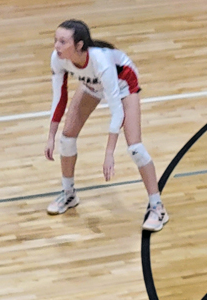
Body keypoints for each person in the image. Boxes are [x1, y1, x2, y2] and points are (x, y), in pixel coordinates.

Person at [44, 19, 168, 232]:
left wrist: (109, 152)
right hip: (92, 84)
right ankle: (69, 194)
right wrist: (51, 135)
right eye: (56, 40)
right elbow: (59, 99)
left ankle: (158, 208)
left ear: (79, 45)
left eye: (63, 42)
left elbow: (116, 111)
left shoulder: (101, 61)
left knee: (135, 148)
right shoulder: (58, 59)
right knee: (66, 139)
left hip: (123, 84)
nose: (57, 46)